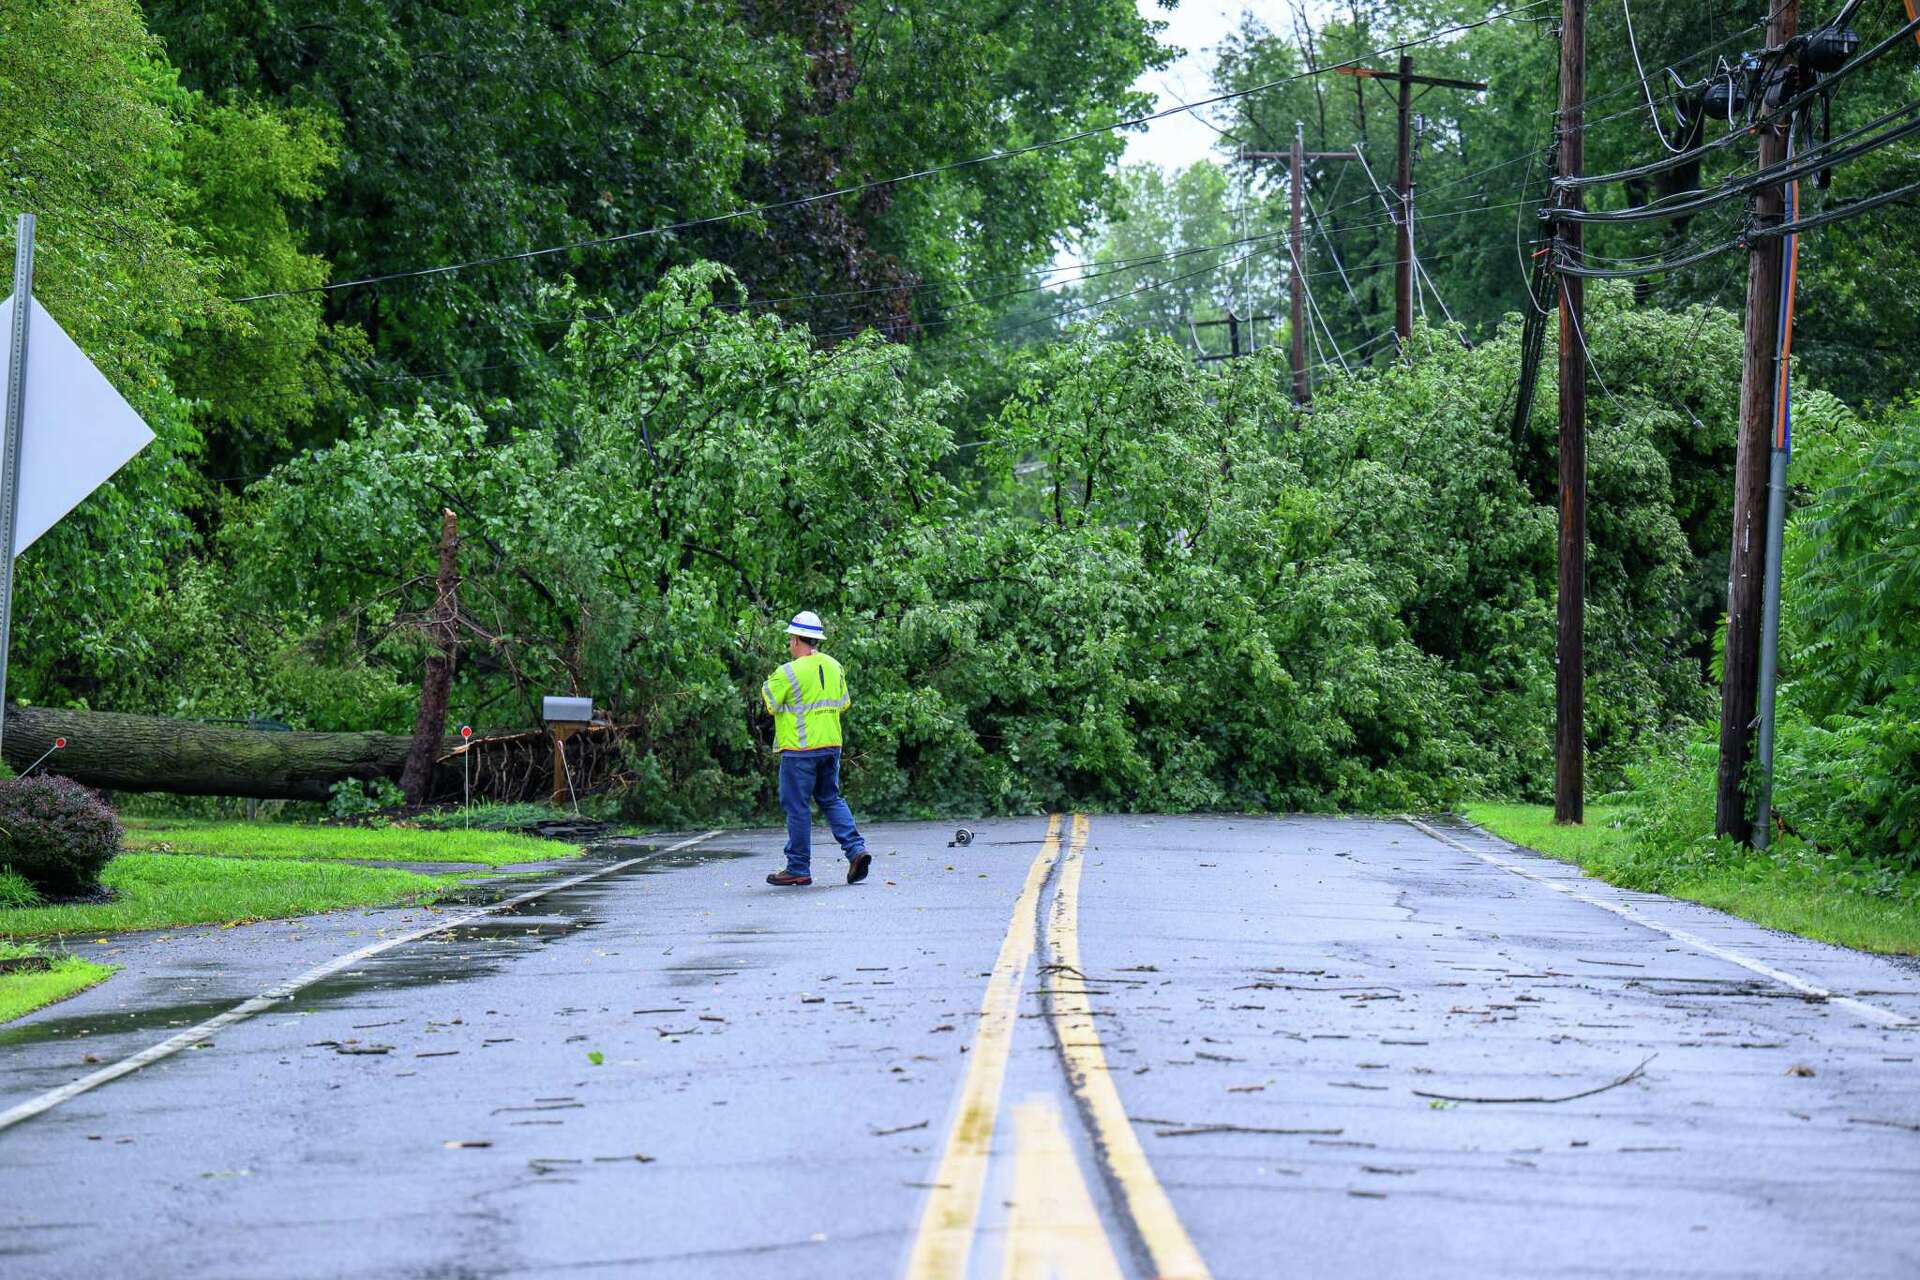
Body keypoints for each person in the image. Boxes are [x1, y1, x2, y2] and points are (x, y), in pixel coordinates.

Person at [762, 610, 871, 887]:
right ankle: (856, 850)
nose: (789, 644)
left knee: (797, 807)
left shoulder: (788, 671)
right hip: (831, 745)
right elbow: (843, 703)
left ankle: (798, 867)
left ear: (797, 640)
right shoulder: (835, 666)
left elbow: (770, 702)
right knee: (831, 799)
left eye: (790, 639)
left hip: (799, 749)